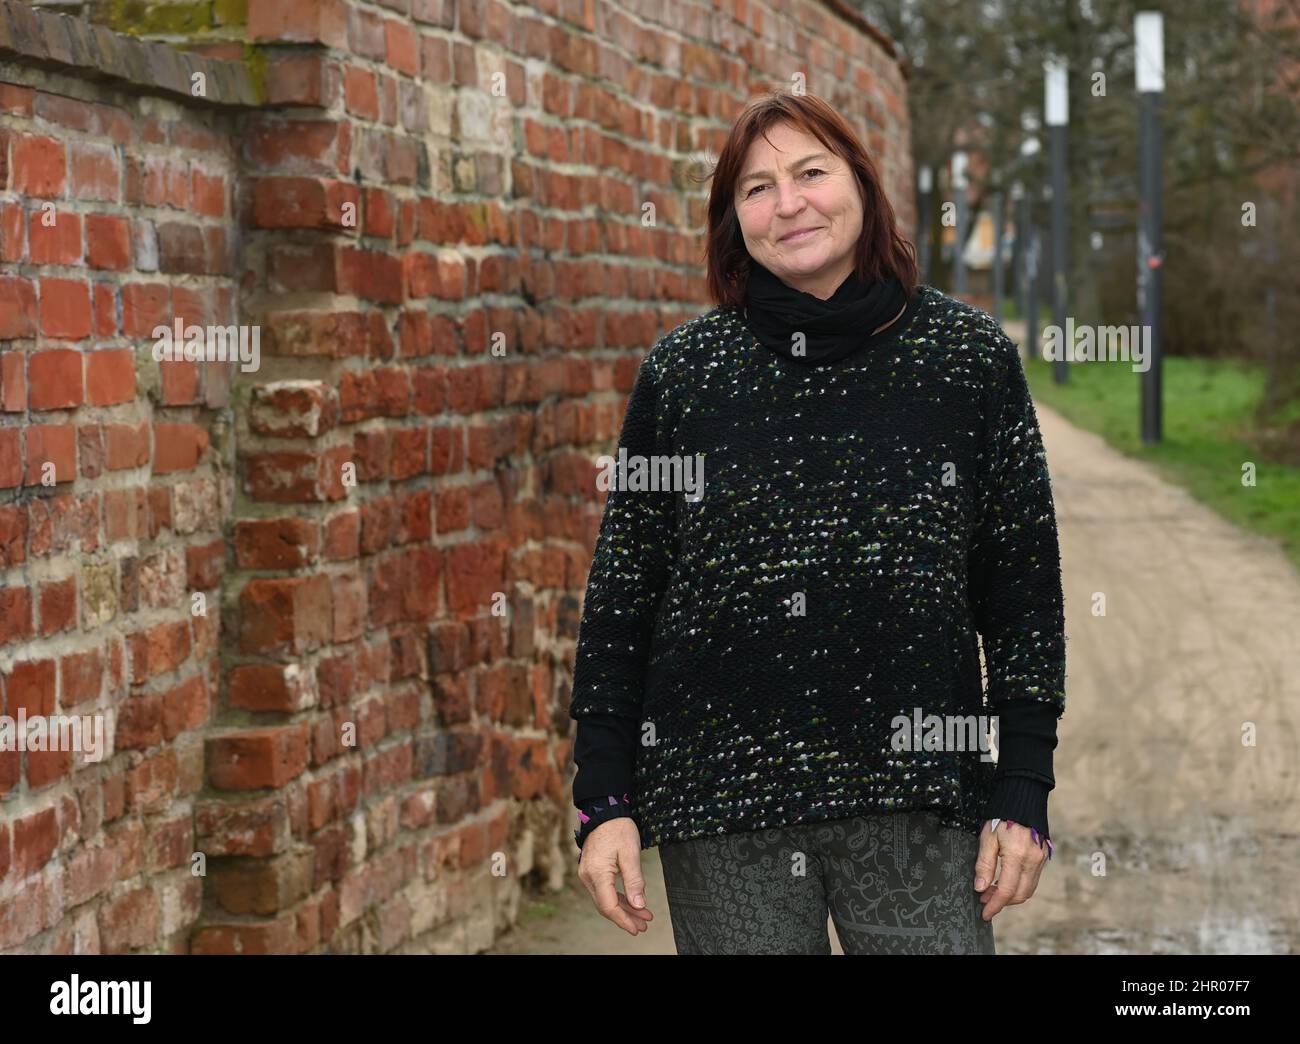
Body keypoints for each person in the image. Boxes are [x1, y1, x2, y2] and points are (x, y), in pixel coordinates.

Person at [568, 90, 1065, 954]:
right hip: (725, 808)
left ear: (863, 186)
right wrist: (603, 800)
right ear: (734, 220)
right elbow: (623, 599)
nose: (787, 204)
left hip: (922, 798)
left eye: (809, 173)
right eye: (756, 188)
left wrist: (1023, 788)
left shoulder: (967, 360)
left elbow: (1022, 593)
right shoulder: (685, 375)